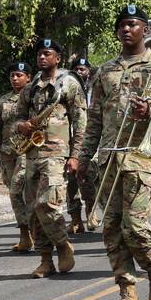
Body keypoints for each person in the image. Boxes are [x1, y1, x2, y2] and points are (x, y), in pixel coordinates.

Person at [80, 4, 151, 300]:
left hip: (141, 156)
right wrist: (83, 157)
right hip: (109, 157)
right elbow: (95, 119)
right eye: (122, 25)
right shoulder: (105, 71)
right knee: (112, 230)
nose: (127, 29)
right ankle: (127, 293)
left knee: (136, 227)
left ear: (145, 30)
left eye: (133, 24)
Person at [16, 38, 87, 278]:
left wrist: (76, 155)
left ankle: (63, 243)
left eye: (47, 54)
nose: (42, 57)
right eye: (39, 54)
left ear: (58, 58)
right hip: (32, 153)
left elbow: (81, 122)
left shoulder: (69, 84)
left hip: (57, 154)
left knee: (48, 204)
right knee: (33, 210)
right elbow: (17, 117)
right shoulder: (30, 87)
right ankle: (45, 260)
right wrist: (22, 126)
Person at [0, 61, 34, 252]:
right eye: (12, 75)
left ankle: (30, 231)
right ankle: (26, 234)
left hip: (28, 151)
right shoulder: (2, 100)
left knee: (18, 191)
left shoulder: (34, 97)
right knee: (15, 193)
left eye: (19, 75)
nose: (15, 78)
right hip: (7, 152)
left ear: (28, 77)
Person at [66, 55, 96, 232]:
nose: (79, 72)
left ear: (88, 72)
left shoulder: (95, 89)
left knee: (87, 178)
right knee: (71, 181)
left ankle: (91, 211)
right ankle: (76, 220)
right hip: (70, 141)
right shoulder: (66, 88)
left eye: (83, 69)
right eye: (76, 69)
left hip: (90, 141)